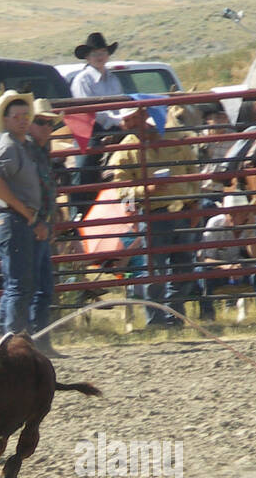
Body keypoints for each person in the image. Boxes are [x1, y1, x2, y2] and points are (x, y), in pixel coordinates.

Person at [105, 104, 202, 326]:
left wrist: (196, 203)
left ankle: (174, 317)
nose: (125, 124)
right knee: (155, 271)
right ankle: (157, 320)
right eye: (125, 120)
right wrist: (144, 191)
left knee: (183, 268)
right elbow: (119, 187)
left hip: (183, 211)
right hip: (153, 213)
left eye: (130, 119)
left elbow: (193, 170)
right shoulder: (127, 148)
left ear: (143, 115)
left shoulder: (174, 136)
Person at [0, 91, 47, 337]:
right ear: (7, 121)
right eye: (16, 116)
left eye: (25, 115)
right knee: (20, 287)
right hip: (13, 220)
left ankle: (3, 339)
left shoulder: (19, 146)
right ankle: (11, 341)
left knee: (16, 286)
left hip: (13, 220)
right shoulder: (10, 146)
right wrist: (25, 212)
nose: (22, 120)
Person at [67, 32, 126, 219]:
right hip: (91, 129)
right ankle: (78, 213)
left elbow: (120, 104)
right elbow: (90, 110)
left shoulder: (113, 78)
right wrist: (118, 120)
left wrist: (122, 120)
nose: (100, 57)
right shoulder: (82, 80)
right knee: (84, 166)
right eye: (95, 54)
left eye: (102, 52)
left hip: (116, 126)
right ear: (88, 57)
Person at [197, 193, 256, 320]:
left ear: (246, 213)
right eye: (229, 212)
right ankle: (208, 316)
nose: (232, 216)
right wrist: (227, 267)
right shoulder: (215, 223)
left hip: (248, 273)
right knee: (202, 271)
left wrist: (249, 232)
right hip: (221, 272)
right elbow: (205, 258)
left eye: (236, 212)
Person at [25, 98, 63, 352]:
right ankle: (33, 343)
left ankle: (40, 341)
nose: (46, 128)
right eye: (40, 122)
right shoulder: (26, 150)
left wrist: (54, 211)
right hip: (29, 225)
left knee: (42, 287)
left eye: (49, 123)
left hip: (40, 224)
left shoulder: (40, 150)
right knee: (32, 287)